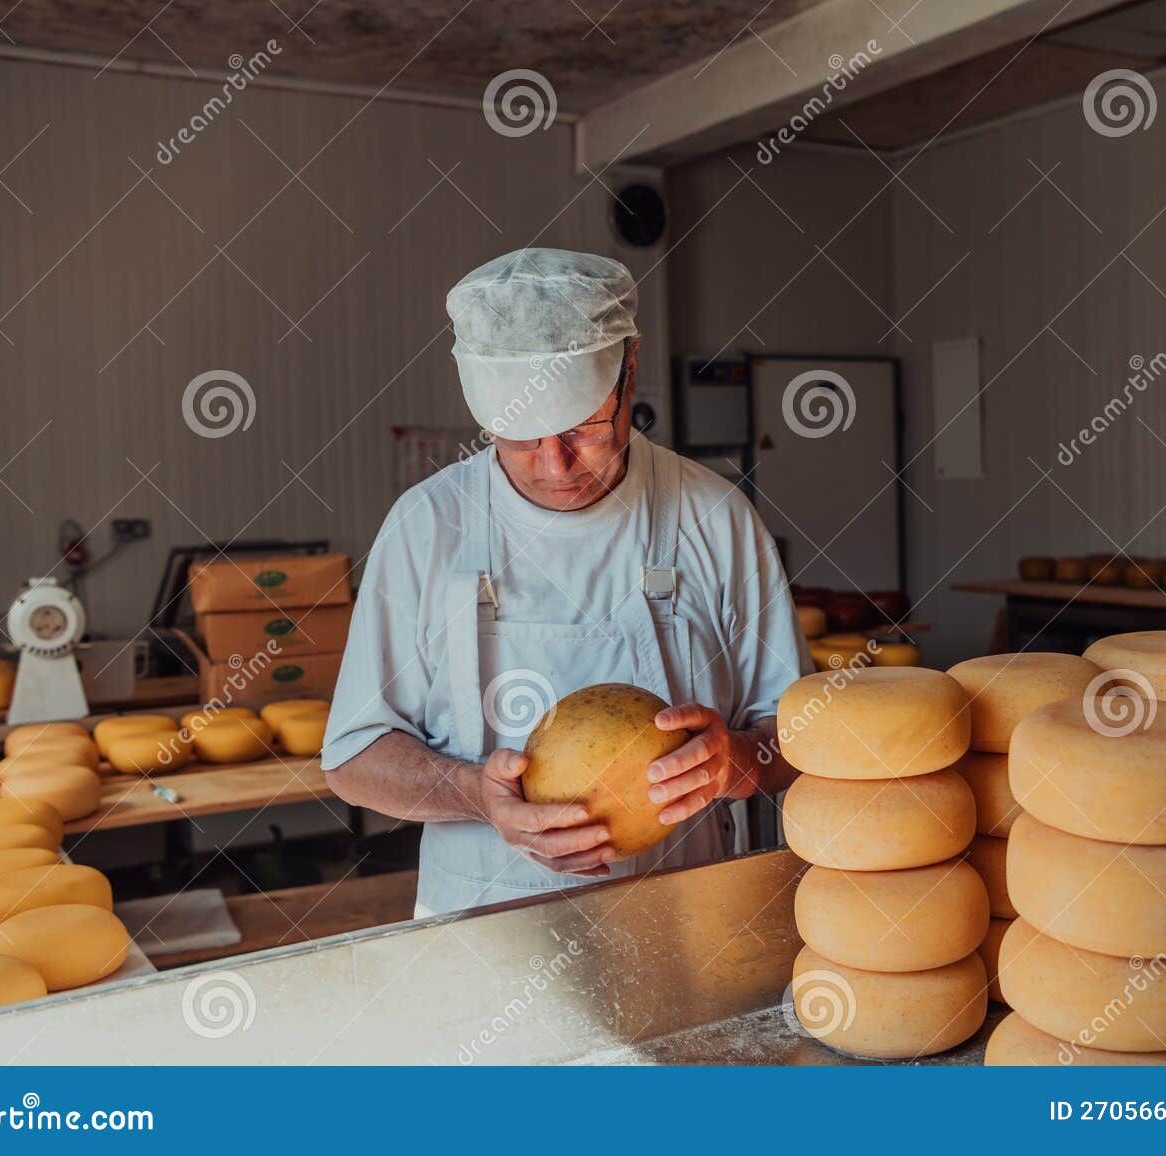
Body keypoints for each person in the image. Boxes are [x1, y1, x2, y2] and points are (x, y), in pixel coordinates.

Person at [322, 248, 806, 918]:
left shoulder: (713, 517)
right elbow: (352, 758)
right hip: (484, 933)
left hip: (686, 925)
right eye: (519, 437)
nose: (556, 464)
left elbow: (799, 737)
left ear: (629, 372)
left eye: (582, 427)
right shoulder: (427, 527)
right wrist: (474, 794)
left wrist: (740, 761)